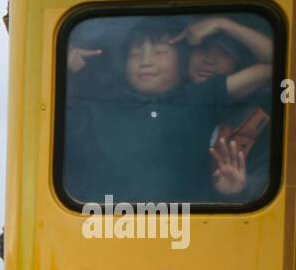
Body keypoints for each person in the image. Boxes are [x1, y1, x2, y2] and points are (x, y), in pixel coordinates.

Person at [64, 16, 271, 204]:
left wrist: (223, 23)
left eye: (160, 52)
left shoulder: (199, 97)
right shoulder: (97, 105)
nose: (145, 61)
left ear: (183, 63)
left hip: (185, 231)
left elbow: (275, 63)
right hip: (109, 230)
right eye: (135, 54)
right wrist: (59, 61)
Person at [180, 16, 274, 201]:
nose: (209, 60)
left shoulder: (258, 120)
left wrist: (243, 187)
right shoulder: (166, 102)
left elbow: (285, 60)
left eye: (225, 53)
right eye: (201, 49)